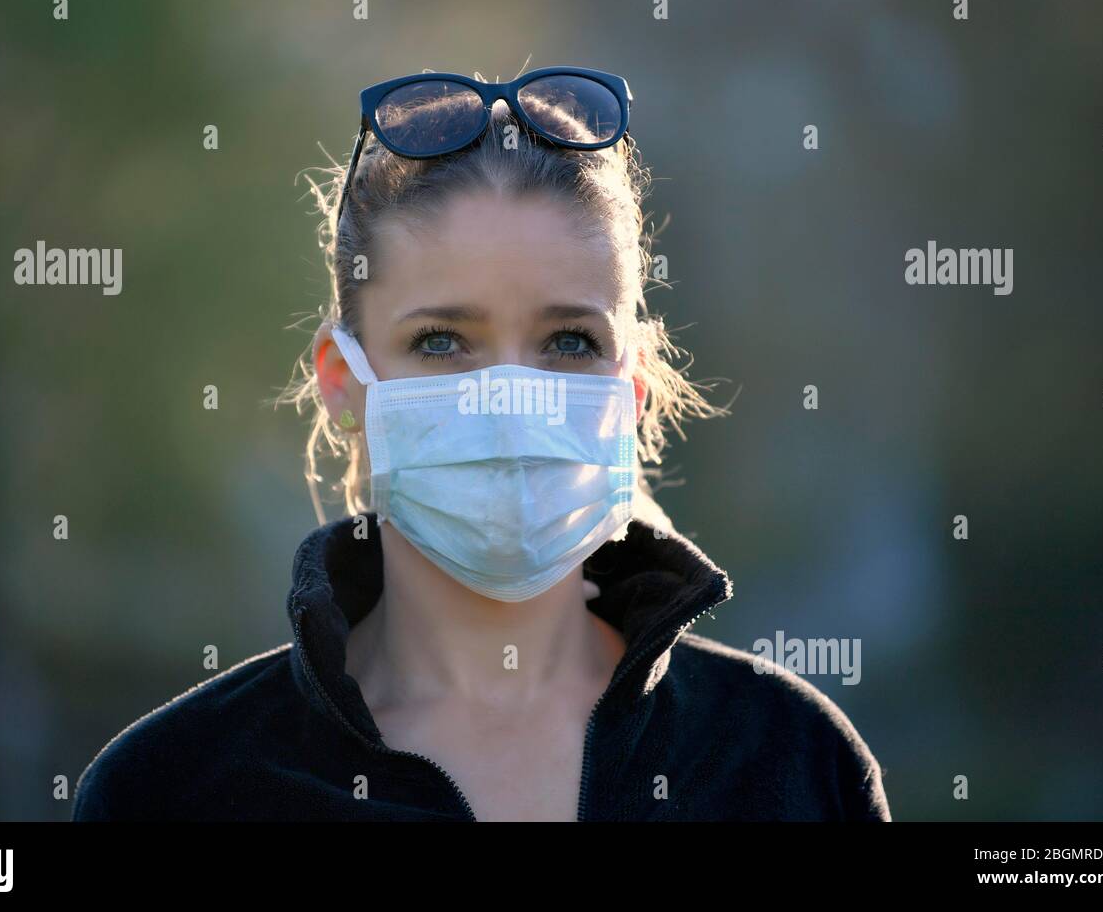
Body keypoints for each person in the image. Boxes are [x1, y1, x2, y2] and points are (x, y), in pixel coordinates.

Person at [72, 65, 892, 821]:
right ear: (342, 381)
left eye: (569, 341)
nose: (508, 403)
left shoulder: (792, 761)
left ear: (631, 386)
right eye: (440, 341)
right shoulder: (173, 790)